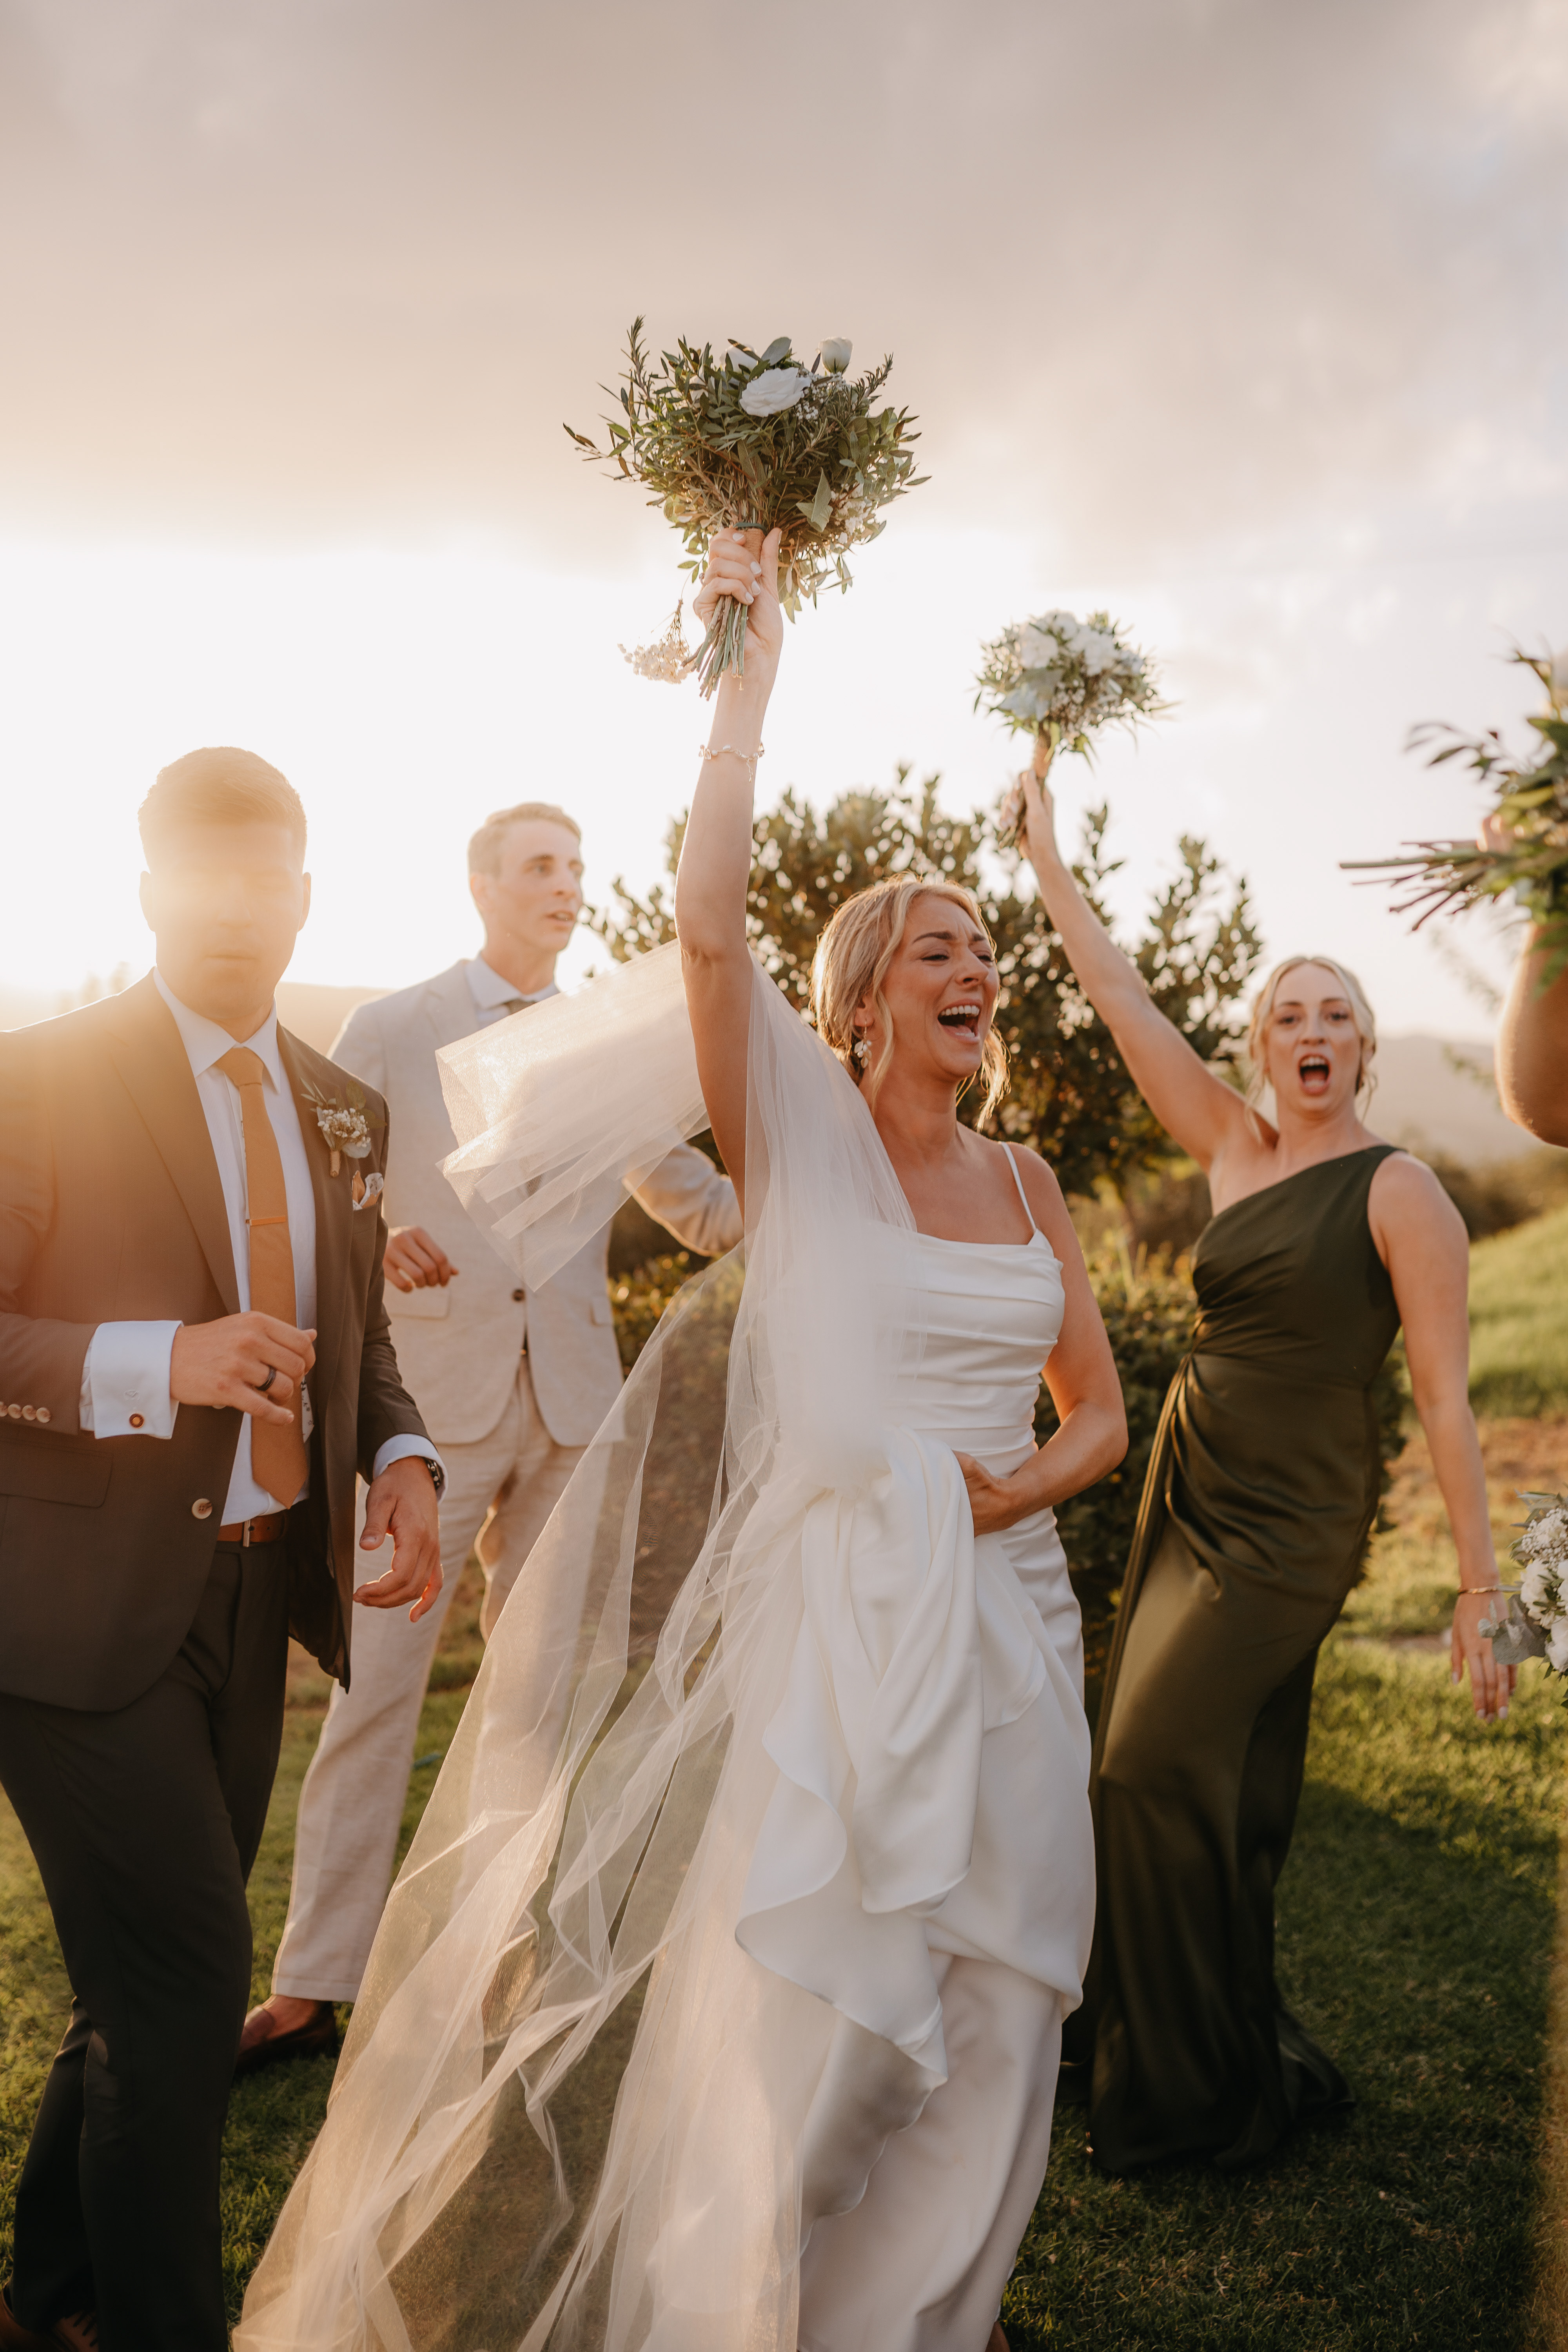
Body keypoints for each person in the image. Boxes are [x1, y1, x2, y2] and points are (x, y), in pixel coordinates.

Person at [236, 534, 1125, 2352]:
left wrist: (1017, 1493)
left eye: (984, 947)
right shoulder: (801, 1138)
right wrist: (749, 689)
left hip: (1012, 1602)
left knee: (1009, 1981)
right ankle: (757, 2294)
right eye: (934, 947)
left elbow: (1096, 1409)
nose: (972, 966)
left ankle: (923, 2309)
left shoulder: (1031, 1179)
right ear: (866, 996)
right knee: (834, 1992)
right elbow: (710, 928)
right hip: (851, 1616)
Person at [0, 748, 442, 2352]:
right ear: (146, 890)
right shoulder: (34, 1073)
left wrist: (399, 1456)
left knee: (143, 1988)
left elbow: (360, 1334)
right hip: (64, 1614)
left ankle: (52, 2306)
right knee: (191, 1987)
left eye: (270, 880)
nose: (239, 911)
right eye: (204, 879)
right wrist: (157, 1361)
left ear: (305, 894)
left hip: (255, 1600)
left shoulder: (345, 1104)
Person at [1015, 763, 1509, 2176]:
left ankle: (1183, 2090)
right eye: (1289, 1013)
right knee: (1185, 1774)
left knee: (1150, 1765)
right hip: (1195, 1484)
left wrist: (1485, 1590)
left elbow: (1445, 1397)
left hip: (1297, 1516)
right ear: (1258, 1044)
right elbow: (1118, 999)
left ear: (1365, 1051)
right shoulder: (1231, 1146)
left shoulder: (1401, 1189)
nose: (1314, 1031)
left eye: (1338, 1015)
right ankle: (1189, 2049)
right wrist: (1050, 858)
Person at [239, 799, 741, 2073]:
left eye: (577, 868)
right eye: (540, 867)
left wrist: (848, 1179)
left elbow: (694, 1207)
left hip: (574, 1405)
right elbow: (304, 1175)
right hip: (426, 1414)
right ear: (481, 884)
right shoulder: (394, 1028)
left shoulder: (606, 1044)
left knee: (541, 1701)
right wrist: (365, 1237)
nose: (565, 887)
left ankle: (506, 1955)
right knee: (375, 1692)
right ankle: (312, 1982)